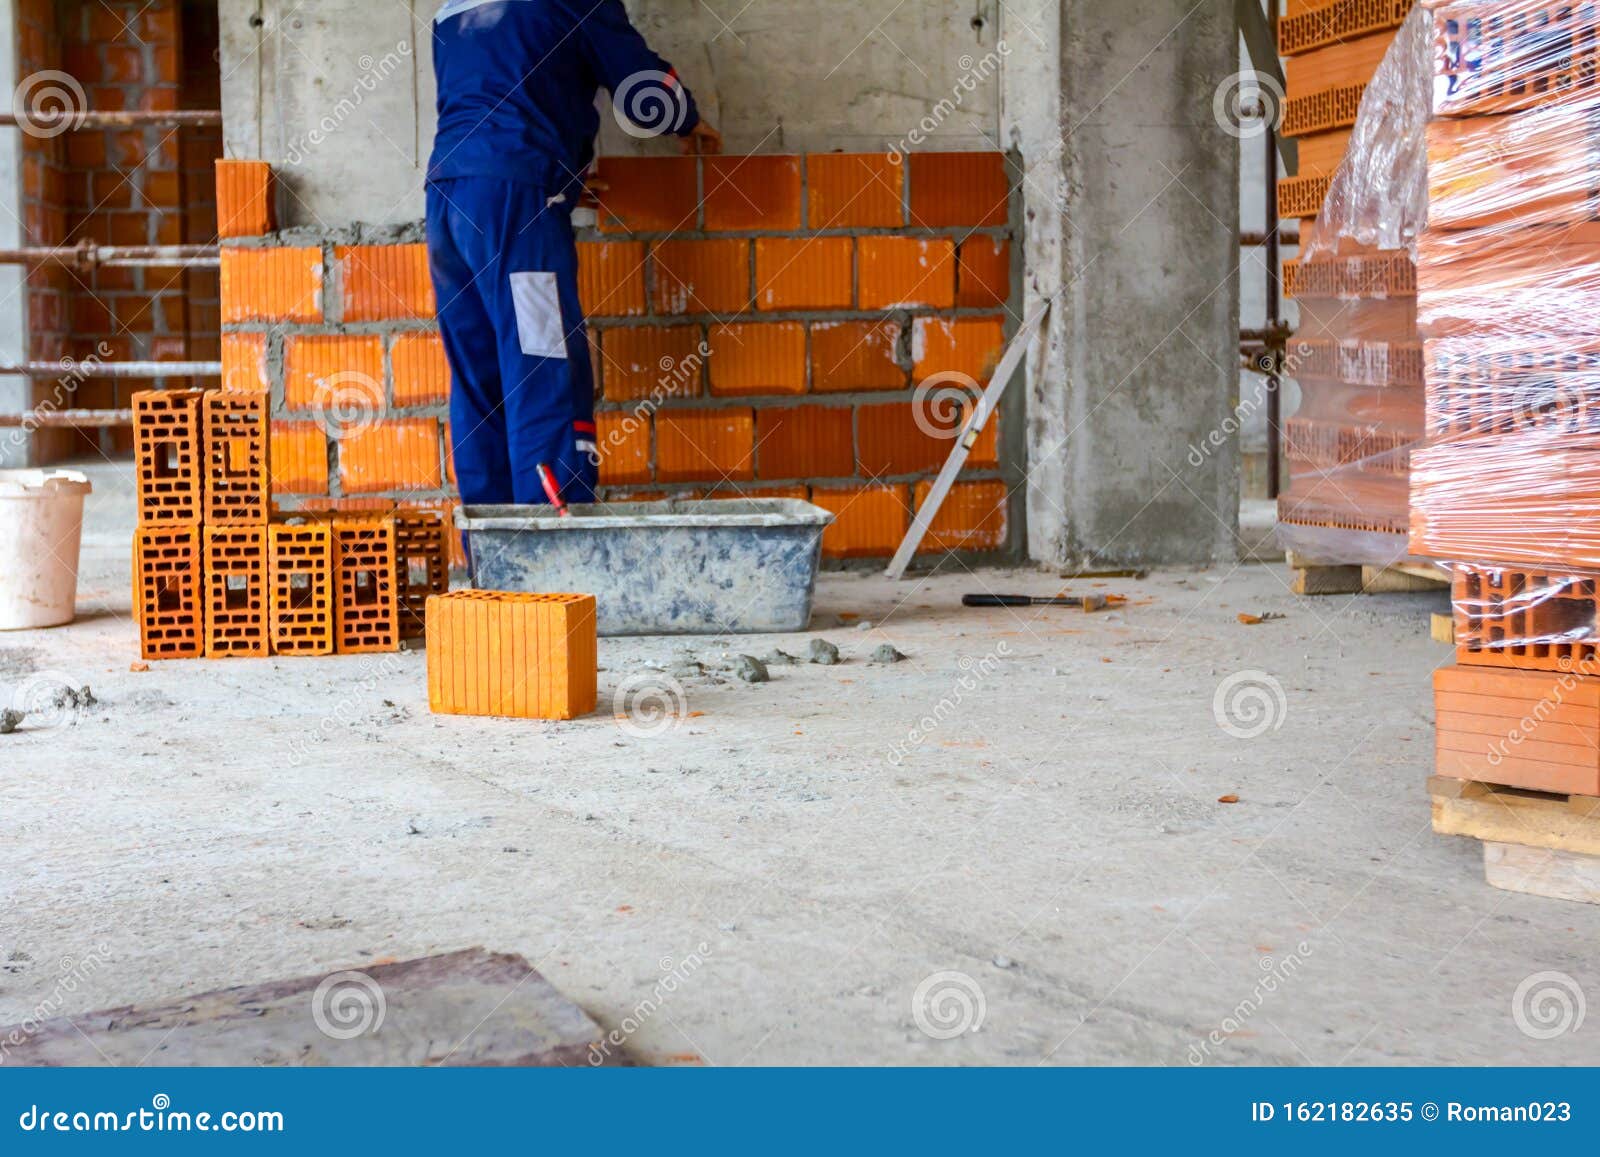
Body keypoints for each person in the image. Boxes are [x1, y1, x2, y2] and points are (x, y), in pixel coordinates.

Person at [425, 0, 721, 510]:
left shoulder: (452, 9)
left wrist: (554, 175)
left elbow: (494, 99)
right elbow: (638, 85)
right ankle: (553, 564)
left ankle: (495, 567)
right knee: (542, 366)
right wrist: (690, 122)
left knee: (480, 383)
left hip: (448, 200)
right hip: (515, 205)